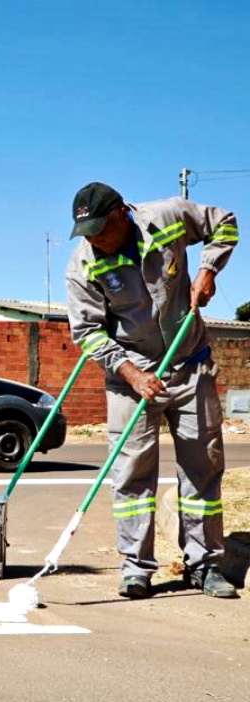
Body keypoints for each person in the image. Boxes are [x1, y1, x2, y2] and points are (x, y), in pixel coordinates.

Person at [65, 181, 240, 599]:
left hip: (190, 362)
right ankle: (136, 568)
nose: (94, 240)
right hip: (131, 373)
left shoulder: (168, 217)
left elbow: (226, 224)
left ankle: (204, 564)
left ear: (121, 213)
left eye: (99, 230)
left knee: (202, 468)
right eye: (86, 233)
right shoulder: (83, 264)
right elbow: (88, 333)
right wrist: (132, 374)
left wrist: (208, 269)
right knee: (131, 476)